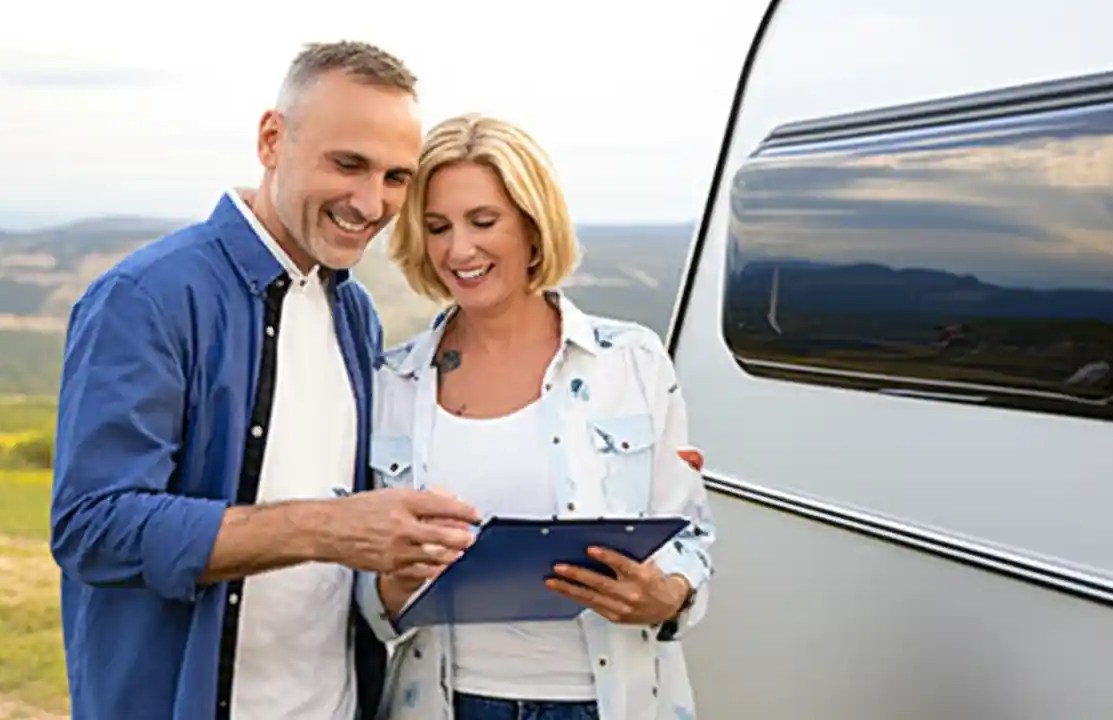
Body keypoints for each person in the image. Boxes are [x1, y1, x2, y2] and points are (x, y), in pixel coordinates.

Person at [49, 41, 482, 720]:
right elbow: (91, 527)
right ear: (272, 140)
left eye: (397, 176)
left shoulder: (353, 312)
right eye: (349, 164)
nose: (372, 203)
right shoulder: (148, 296)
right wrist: (325, 529)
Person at [357, 113, 717, 720]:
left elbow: (692, 535)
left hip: (611, 702)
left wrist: (666, 595)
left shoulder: (631, 361)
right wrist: (393, 586)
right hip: (447, 703)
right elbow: (362, 591)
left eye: (483, 221)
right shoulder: (391, 382)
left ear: (532, 224)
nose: (458, 250)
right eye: (438, 227)